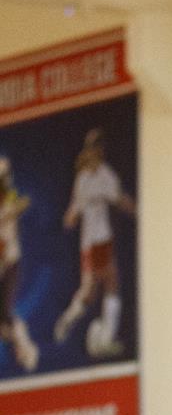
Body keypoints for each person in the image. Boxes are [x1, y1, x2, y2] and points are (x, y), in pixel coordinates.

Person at [53, 127, 137, 356]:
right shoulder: (101, 175)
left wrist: (70, 218)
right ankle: (106, 336)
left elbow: (74, 211)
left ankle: (68, 320)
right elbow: (121, 200)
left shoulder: (84, 178)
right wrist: (141, 211)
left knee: (89, 292)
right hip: (99, 239)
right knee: (110, 285)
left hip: (89, 244)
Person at [0, 156, 38, 372]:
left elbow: (22, 203)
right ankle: (22, 344)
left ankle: (26, 349)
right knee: (2, 325)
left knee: (5, 313)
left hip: (9, 265)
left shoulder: (10, 199)